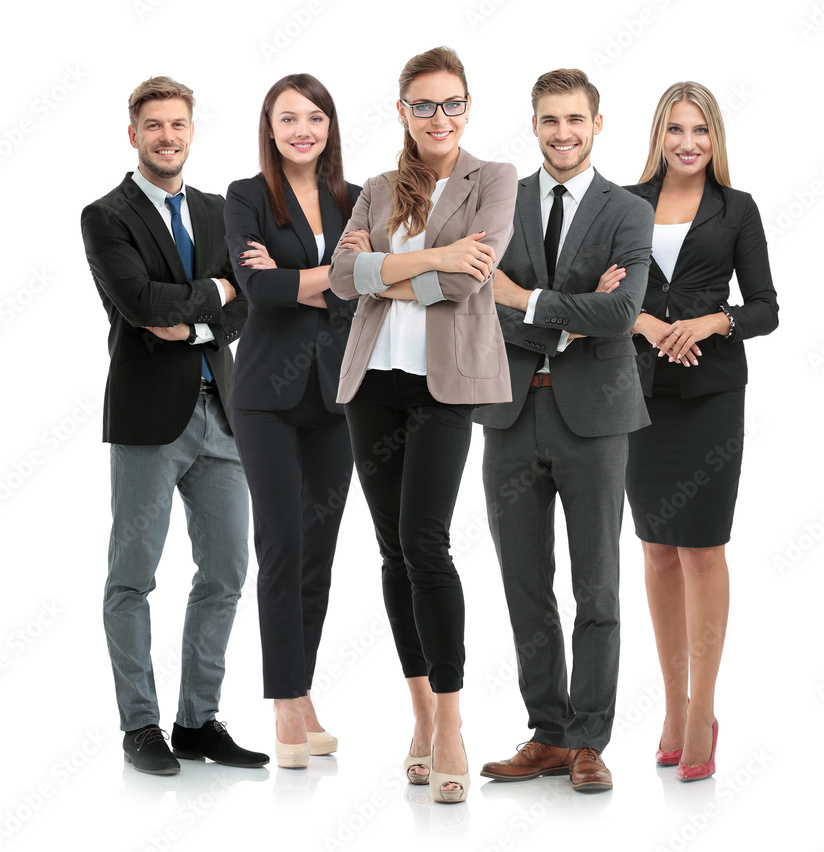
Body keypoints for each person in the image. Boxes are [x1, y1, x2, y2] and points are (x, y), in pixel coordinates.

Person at [328, 46, 517, 803]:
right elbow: (343, 279)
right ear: (402, 111)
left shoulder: (494, 179)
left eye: (452, 103)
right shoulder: (377, 188)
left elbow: (471, 279)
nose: (440, 118)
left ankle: (451, 721)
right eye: (424, 105)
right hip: (373, 382)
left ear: (467, 107)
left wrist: (389, 270)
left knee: (425, 542)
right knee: (389, 551)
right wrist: (429, 259)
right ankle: (417, 716)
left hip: (446, 386)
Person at [81, 76, 268, 775]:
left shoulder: (220, 211)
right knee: (132, 577)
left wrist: (194, 319)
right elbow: (137, 302)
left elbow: (247, 304)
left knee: (224, 572)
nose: (167, 136)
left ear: (193, 130)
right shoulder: (105, 215)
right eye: (153, 125)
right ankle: (141, 727)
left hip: (222, 414)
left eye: (177, 124)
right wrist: (213, 298)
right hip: (147, 421)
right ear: (133, 134)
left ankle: (197, 721)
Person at [476, 68, 653, 793]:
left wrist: (529, 299)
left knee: (598, 588)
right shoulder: (500, 201)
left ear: (598, 124)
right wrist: (566, 315)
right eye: (550, 120)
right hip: (511, 415)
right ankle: (547, 735)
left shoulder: (627, 211)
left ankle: (589, 742)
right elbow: (477, 303)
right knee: (525, 586)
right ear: (534, 124)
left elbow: (621, 316)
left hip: (597, 422)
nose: (563, 133)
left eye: (575, 119)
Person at [623, 81, 778, 781]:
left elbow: (767, 307)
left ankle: (702, 710)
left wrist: (714, 321)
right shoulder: (622, 203)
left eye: (701, 131)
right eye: (677, 130)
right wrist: (650, 324)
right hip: (639, 391)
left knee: (702, 550)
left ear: (715, 139)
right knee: (656, 549)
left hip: (711, 392)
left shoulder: (736, 209)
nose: (688, 143)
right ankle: (672, 703)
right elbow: (600, 292)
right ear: (659, 133)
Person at [223, 74, 359, 769]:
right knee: (280, 545)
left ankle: (301, 692)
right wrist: (330, 278)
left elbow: (371, 293)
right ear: (269, 128)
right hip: (266, 400)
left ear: (330, 126)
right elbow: (258, 290)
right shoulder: (247, 196)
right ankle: (285, 706)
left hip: (339, 395)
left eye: (315, 117)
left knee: (320, 551)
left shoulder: (357, 199)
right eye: (288, 118)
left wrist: (301, 279)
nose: (302, 129)